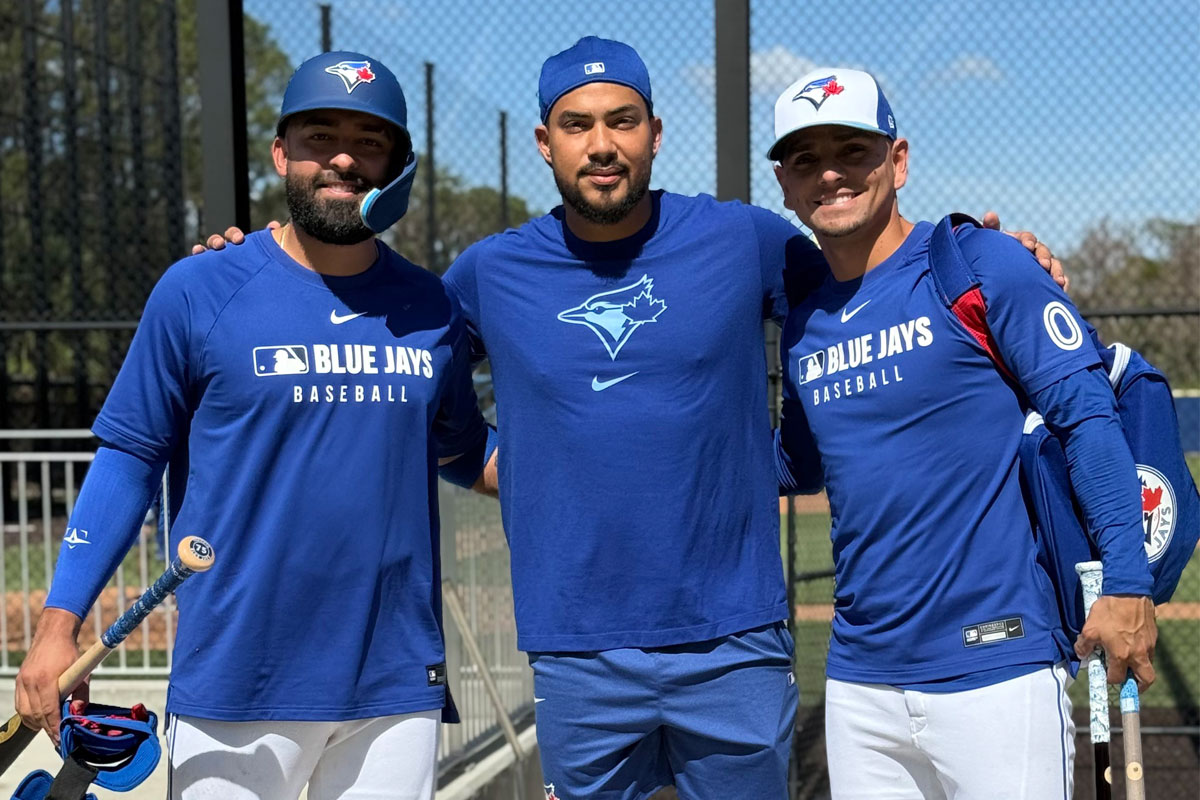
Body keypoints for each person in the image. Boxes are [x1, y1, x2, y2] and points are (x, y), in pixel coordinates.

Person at [202, 38, 1063, 799]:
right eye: (577, 125)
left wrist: (993, 257)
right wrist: (264, 270)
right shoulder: (490, 273)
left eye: (622, 121)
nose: (602, 144)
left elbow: (867, 279)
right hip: (577, 645)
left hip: (735, 637)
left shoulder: (746, 241)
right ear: (545, 143)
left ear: (655, 132)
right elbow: (395, 361)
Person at [15, 51, 488, 800]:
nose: (342, 158)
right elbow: (129, 459)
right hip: (238, 677)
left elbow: (465, 451)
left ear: (398, 165)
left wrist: (610, 466)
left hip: (393, 684)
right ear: (280, 154)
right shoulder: (199, 289)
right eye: (319, 137)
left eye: (368, 142)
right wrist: (56, 625)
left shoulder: (432, 308)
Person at [771, 67, 1156, 799]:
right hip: (860, 685)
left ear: (898, 161)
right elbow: (797, 466)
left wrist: (1128, 583)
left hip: (998, 668)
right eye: (805, 158)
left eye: (853, 151)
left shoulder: (980, 264)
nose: (830, 173)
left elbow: (1087, 417)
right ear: (784, 184)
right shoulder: (805, 323)